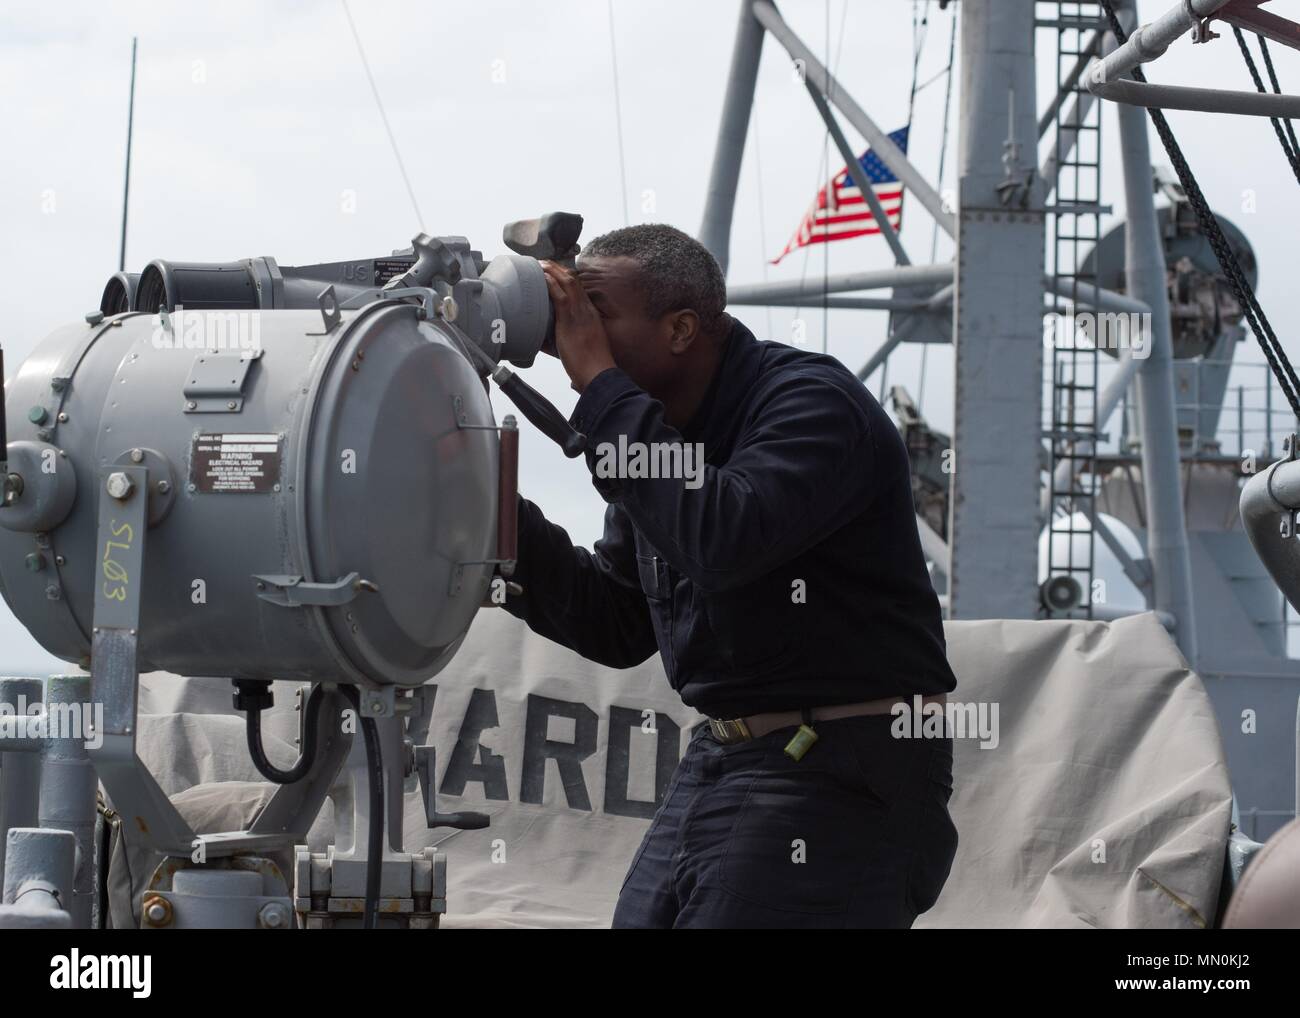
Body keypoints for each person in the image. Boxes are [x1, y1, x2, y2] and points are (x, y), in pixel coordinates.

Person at [503, 222, 958, 928]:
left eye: (598, 312)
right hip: (729, 756)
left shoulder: (811, 404)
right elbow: (618, 619)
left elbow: (723, 537)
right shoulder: (660, 439)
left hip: (836, 767)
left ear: (681, 328)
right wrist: (488, 512)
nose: (576, 331)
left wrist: (600, 384)